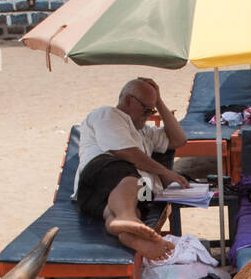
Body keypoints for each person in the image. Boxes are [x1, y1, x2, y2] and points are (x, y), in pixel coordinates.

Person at [73, 77, 189, 262]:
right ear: (128, 100)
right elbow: (127, 153)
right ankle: (128, 218)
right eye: (146, 109)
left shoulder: (145, 132)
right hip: (98, 175)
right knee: (130, 178)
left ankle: (126, 231)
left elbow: (179, 140)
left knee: (115, 213)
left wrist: (158, 101)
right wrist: (166, 172)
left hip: (96, 198)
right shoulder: (108, 115)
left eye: (152, 110)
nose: (149, 115)